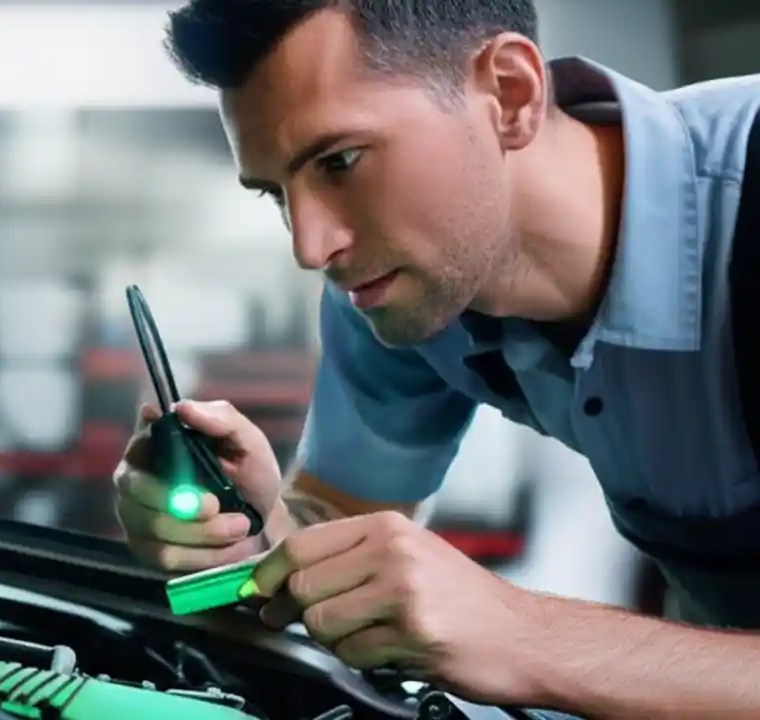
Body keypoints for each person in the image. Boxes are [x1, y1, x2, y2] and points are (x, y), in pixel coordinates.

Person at [111, 0, 760, 717]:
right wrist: (252, 537)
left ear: (509, 94)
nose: (311, 247)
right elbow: (333, 524)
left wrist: (526, 635)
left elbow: (525, 641)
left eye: (340, 161)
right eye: (277, 195)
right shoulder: (401, 289)